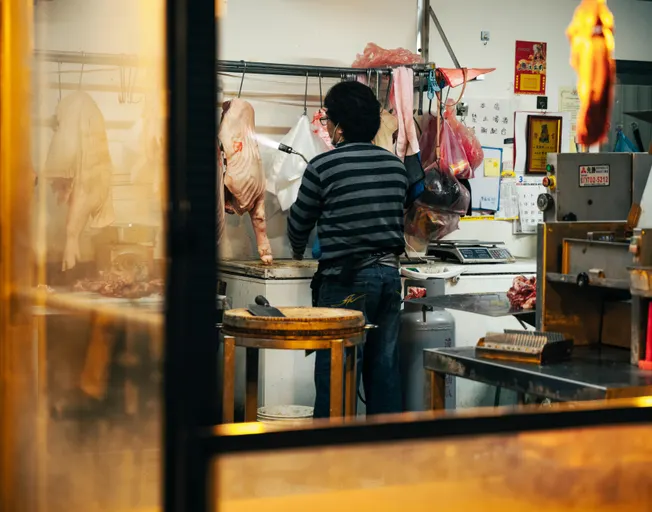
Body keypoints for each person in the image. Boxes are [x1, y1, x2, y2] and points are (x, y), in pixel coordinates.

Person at [287, 81, 408, 418]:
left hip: (345, 281)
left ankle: (331, 457)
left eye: (327, 121)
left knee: (335, 372)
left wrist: (298, 251)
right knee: (384, 371)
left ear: (339, 125)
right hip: (388, 279)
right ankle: (384, 455)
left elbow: (299, 222)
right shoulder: (396, 168)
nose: (326, 128)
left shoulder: (323, 167)